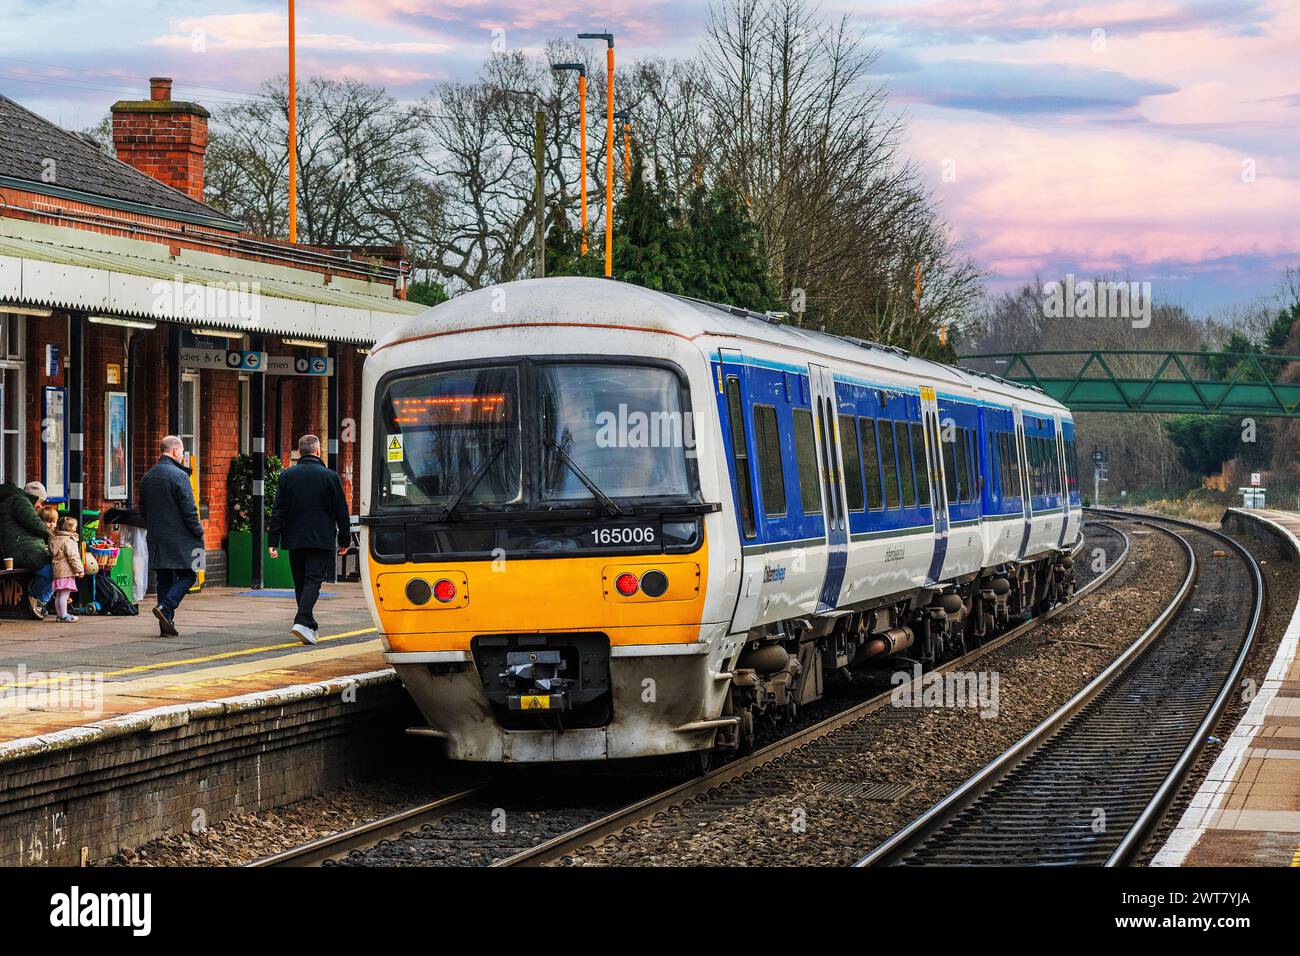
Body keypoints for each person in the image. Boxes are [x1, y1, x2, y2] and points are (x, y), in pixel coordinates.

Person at [269, 434, 350, 645]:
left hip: (294, 539)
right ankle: (302, 619)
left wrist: (272, 541)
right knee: (314, 581)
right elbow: (342, 511)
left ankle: (309, 625)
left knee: (300, 582)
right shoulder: (330, 476)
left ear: (300, 451)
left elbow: (278, 510)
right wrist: (344, 538)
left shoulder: (287, 476)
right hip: (321, 539)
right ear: (318, 450)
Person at [138, 435, 204, 637]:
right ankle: (166, 607)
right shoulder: (179, 476)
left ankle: (166, 625)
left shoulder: (147, 477)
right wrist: (198, 531)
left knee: (164, 577)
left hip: (157, 537)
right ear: (175, 451)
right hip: (183, 538)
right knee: (191, 574)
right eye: (182, 453)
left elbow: (143, 511)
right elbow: (190, 510)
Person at [0, 480, 54, 615]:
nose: (41, 506)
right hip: (19, 550)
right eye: (41, 501)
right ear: (34, 498)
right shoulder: (19, 501)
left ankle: (39, 602)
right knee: (54, 570)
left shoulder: (15, 500)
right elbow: (35, 524)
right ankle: (34, 597)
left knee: (58, 567)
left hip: (19, 548)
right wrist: (54, 538)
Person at [48, 515, 85, 623]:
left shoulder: (55, 539)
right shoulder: (69, 540)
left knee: (59, 594)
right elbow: (73, 556)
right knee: (64, 595)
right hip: (66, 571)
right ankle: (64, 615)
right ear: (72, 529)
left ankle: (60, 615)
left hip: (57, 571)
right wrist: (79, 570)